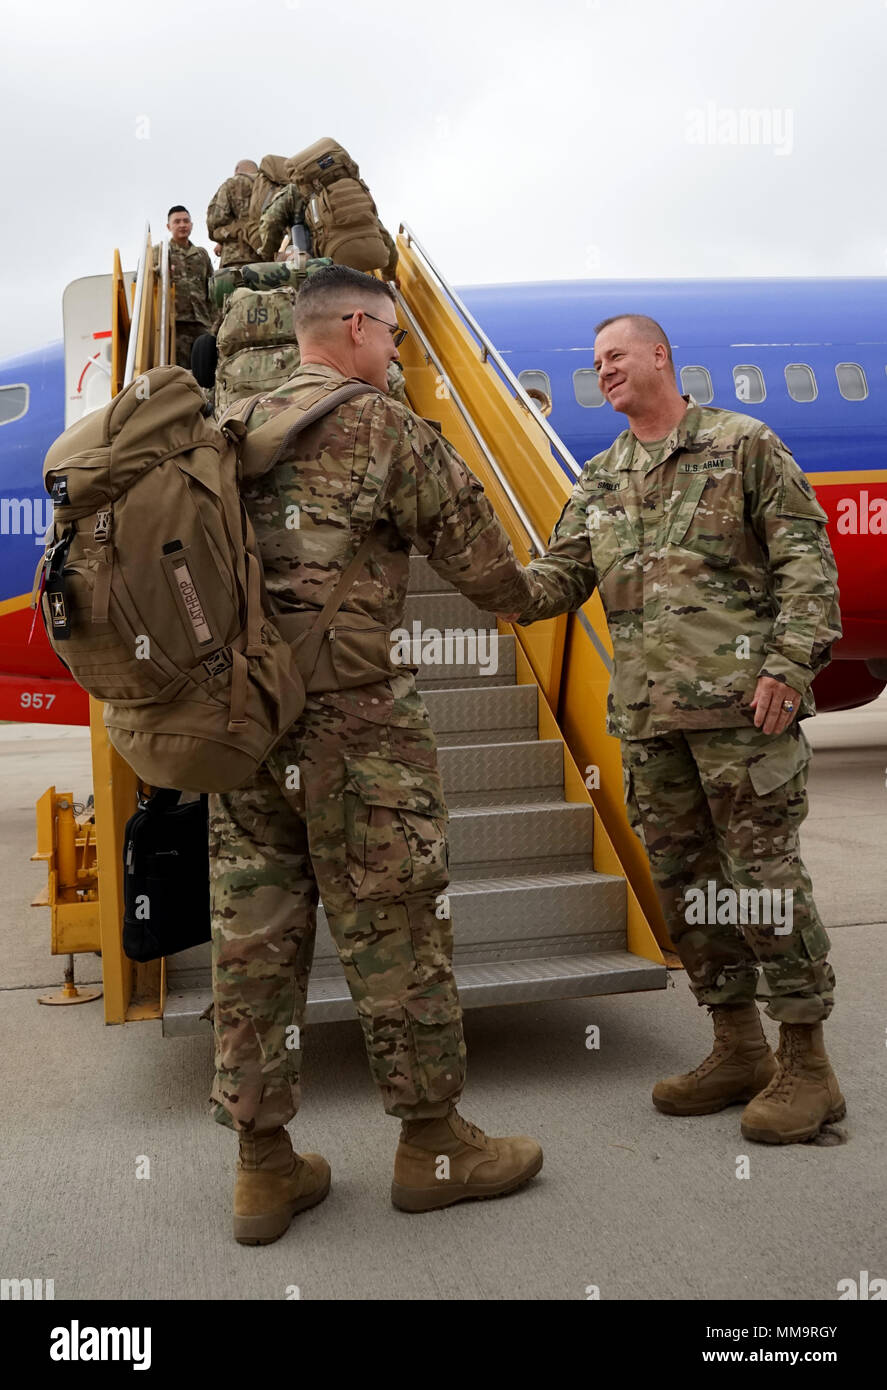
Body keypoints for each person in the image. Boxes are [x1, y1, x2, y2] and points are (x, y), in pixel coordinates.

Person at [209, 265, 542, 1244]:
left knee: (254, 939)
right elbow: (489, 573)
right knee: (396, 925)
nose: (397, 352)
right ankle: (434, 1148)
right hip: (359, 729)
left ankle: (262, 1172)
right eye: (392, 335)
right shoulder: (387, 429)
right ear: (353, 326)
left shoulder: (223, 431)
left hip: (240, 730)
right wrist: (561, 578)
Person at [505, 313, 844, 1145]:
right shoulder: (600, 476)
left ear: (661, 356)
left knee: (762, 879)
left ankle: (808, 1064)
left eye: (614, 356)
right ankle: (735, 1046)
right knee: (686, 887)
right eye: (594, 363)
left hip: (743, 716)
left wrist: (786, 666)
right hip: (651, 726)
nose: (603, 371)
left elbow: (808, 562)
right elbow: (553, 582)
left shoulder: (742, 445)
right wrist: (477, 565)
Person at [152, 206, 214, 370]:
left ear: (192, 225)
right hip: (176, 322)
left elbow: (211, 289)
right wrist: (160, 271)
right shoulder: (160, 251)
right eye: (177, 222)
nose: (182, 225)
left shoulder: (201, 255)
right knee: (181, 371)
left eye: (186, 221)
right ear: (168, 226)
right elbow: (144, 280)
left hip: (202, 321)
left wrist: (216, 322)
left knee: (207, 370)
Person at [206, 160, 260, 268]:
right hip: (265, 258)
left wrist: (220, 236)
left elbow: (215, 219)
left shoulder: (231, 184)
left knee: (236, 284)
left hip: (235, 257)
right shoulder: (268, 185)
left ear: (236, 170)